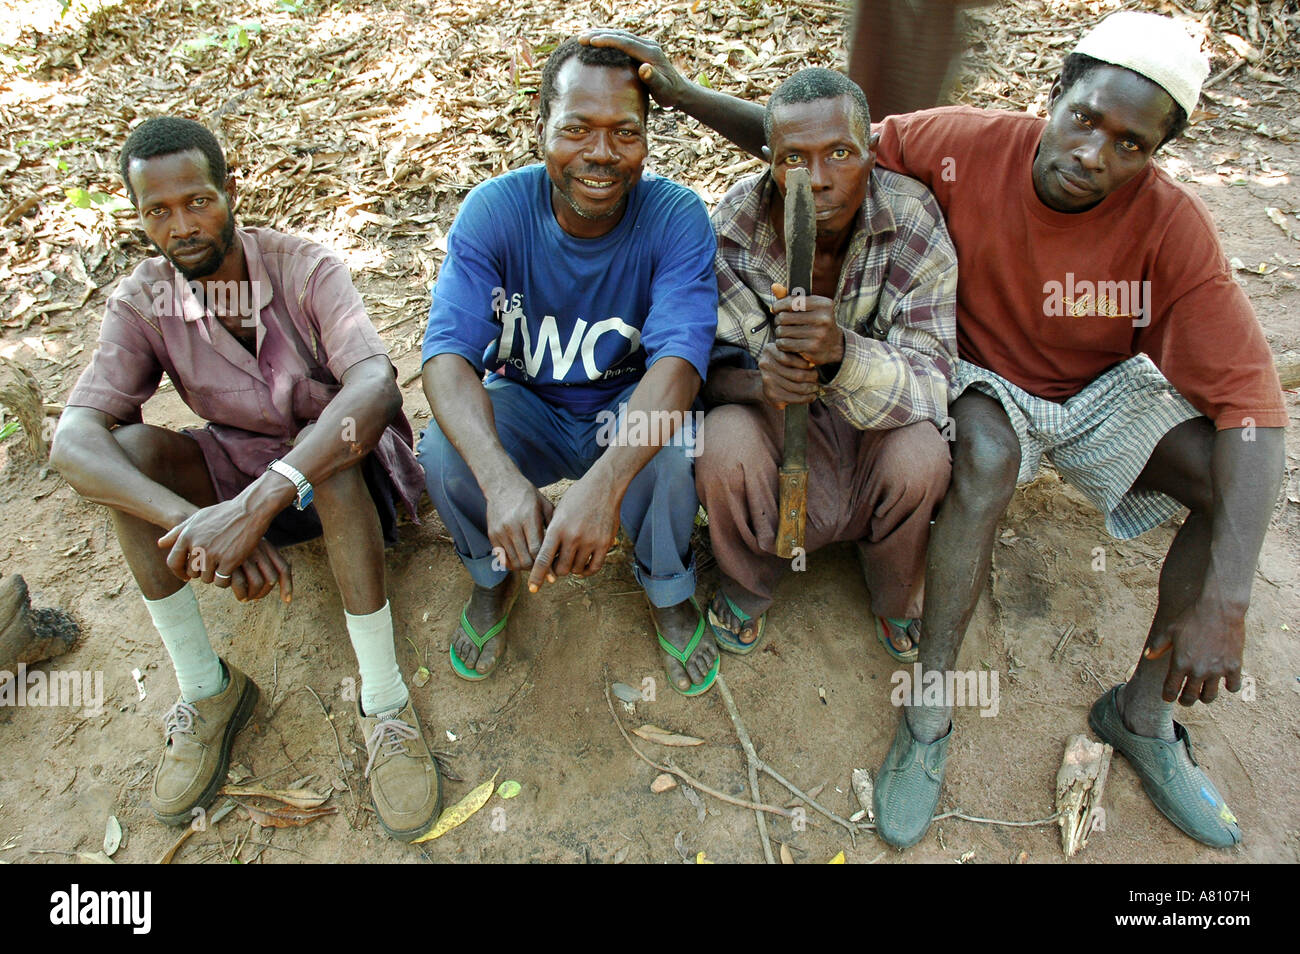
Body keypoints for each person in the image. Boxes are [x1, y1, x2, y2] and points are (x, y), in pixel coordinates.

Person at [587, 11, 1287, 850]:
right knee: (975, 448)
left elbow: (1254, 410)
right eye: (1086, 118)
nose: (1095, 153)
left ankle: (1143, 714)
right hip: (985, 384)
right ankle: (928, 707)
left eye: (1131, 144)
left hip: (1092, 388)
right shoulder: (959, 145)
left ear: (1158, 152)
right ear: (1057, 93)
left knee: (1216, 473)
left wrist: (1228, 599)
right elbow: (812, 144)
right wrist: (684, 92)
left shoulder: (1167, 229)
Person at [50, 117, 442, 842]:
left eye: (197, 200)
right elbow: (73, 443)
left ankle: (385, 706)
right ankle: (208, 690)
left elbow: (376, 387)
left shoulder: (303, 267)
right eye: (157, 212)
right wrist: (195, 520)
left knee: (333, 448)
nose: (182, 225)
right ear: (139, 218)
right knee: (124, 452)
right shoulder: (144, 298)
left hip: (347, 482)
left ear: (231, 191)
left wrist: (261, 502)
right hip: (233, 471)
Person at [418, 38, 722, 696]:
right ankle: (493, 576)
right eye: (577, 129)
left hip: (626, 407)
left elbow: (679, 368)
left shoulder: (676, 218)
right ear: (540, 130)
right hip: (530, 406)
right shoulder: (494, 212)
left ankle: (668, 588)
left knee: (672, 444)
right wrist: (499, 479)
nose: (601, 154)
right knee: (445, 449)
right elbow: (445, 358)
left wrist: (603, 486)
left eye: (625, 133)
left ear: (646, 141)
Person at [696, 67, 955, 665]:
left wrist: (842, 353)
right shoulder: (736, 224)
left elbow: (935, 381)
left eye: (839, 153)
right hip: (778, 428)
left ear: (869, 154)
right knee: (720, 442)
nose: (815, 181)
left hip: (875, 430)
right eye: (793, 158)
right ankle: (749, 584)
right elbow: (704, 369)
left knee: (923, 455)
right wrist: (761, 381)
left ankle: (894, 591)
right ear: (769, 161)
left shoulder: (911, 216)